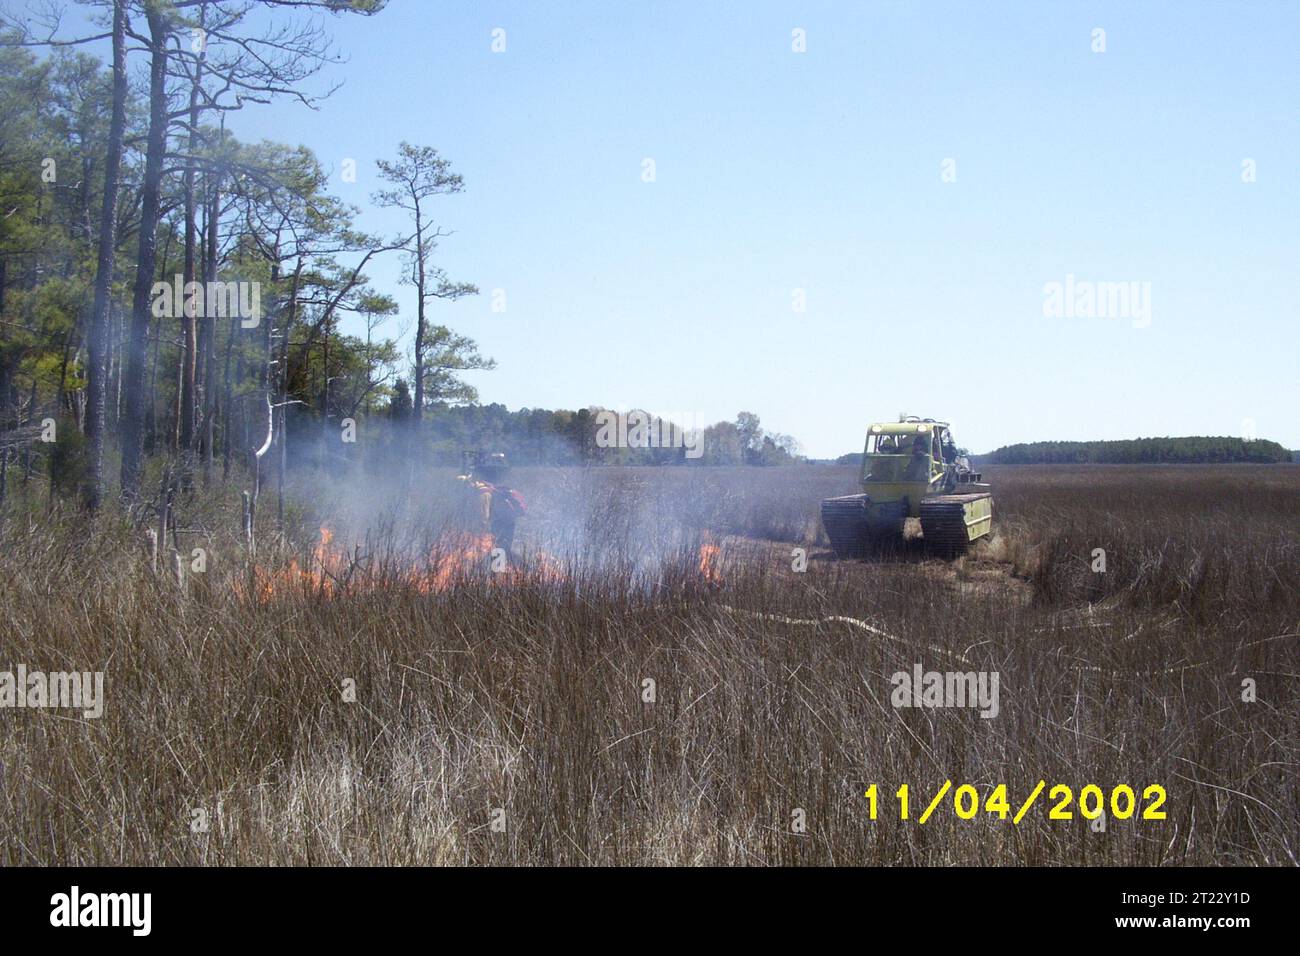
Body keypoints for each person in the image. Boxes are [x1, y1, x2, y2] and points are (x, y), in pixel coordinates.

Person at [457, 452, 525, 562]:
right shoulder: (491, 489)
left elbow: (483, 518)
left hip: (497, 530)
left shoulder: (484, 492)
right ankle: (501, 571)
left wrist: (480, 534)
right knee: (501, 554)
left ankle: (496, 576)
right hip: (506, 526)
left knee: (496, 561)